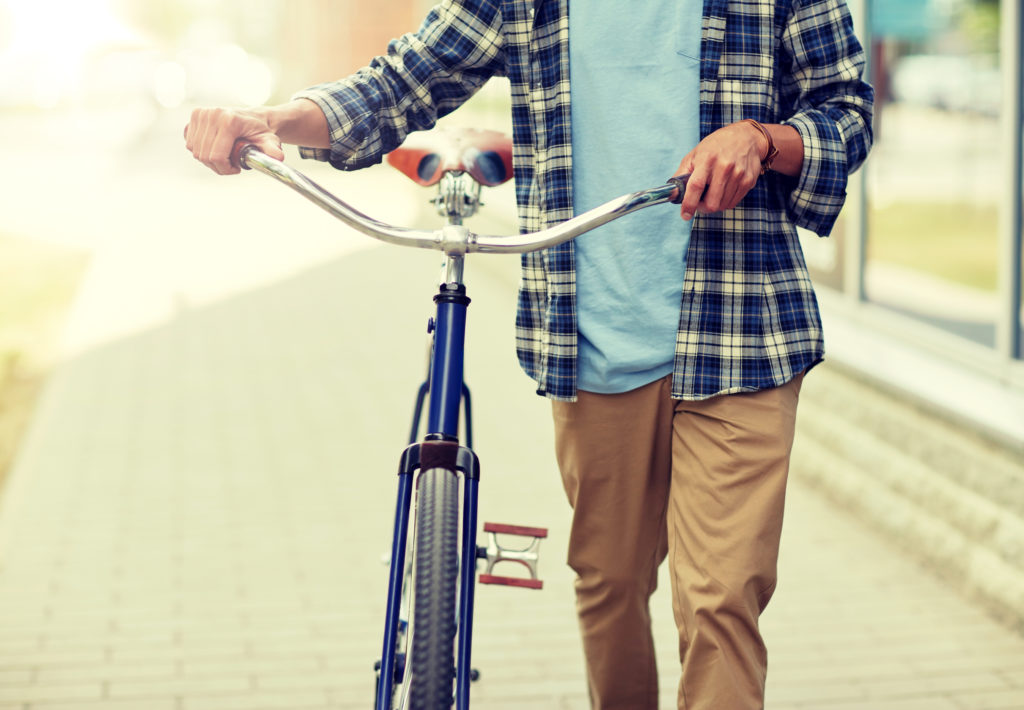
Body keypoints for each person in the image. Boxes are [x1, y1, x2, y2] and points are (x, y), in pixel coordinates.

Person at [185, 1, 873, 708]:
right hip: (596, 336)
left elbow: (846, 111)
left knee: (719, 600)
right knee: (609, 585)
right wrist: (272, 119)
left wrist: (762, 139)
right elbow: (402, 81)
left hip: (741, 331)